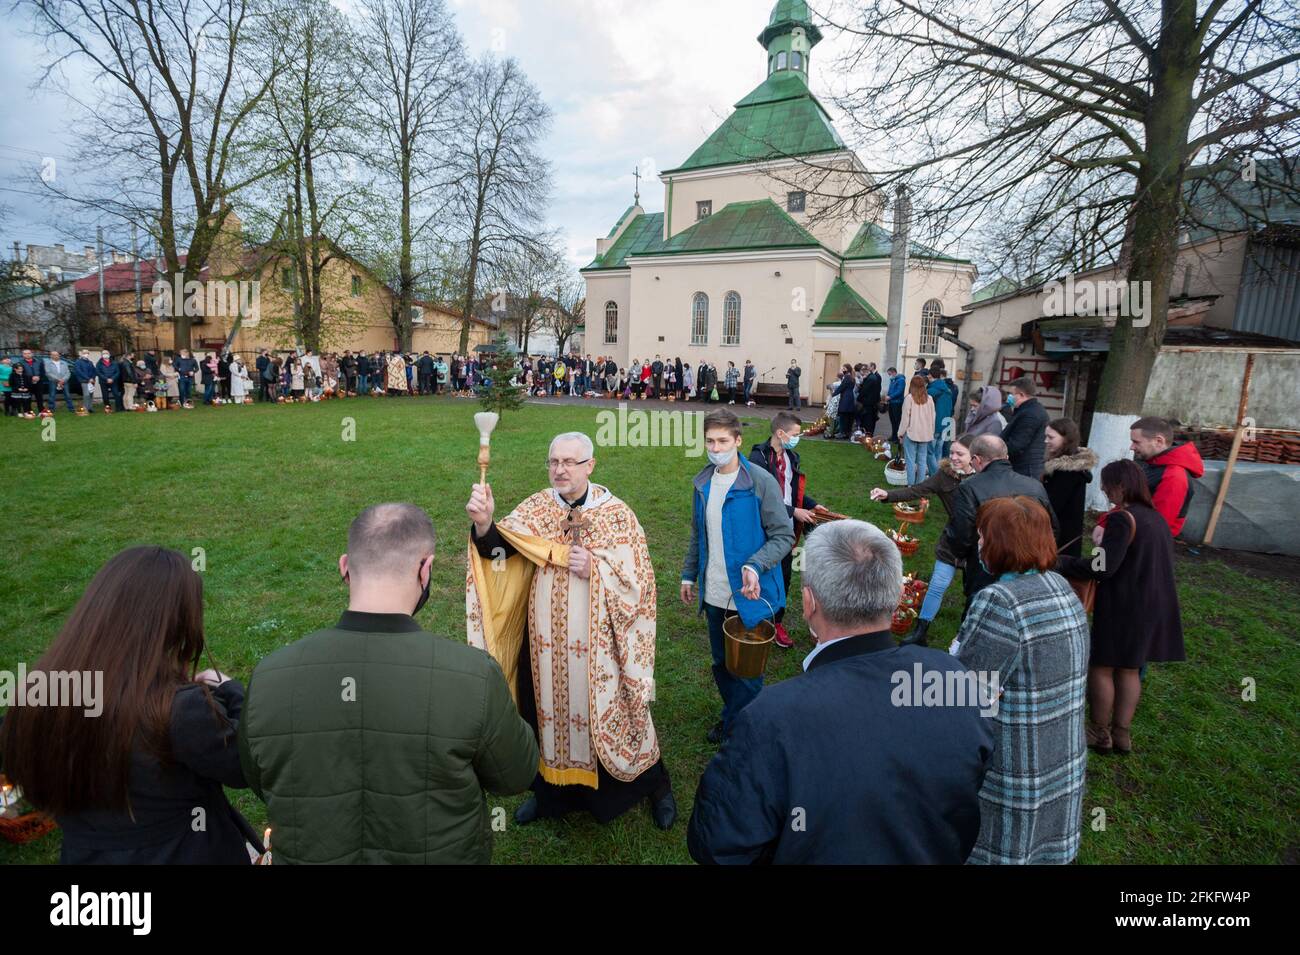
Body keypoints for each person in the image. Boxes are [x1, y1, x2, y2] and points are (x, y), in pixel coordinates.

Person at [238, 504, 537, 863]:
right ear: (425, 570)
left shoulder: (270, 676)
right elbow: (515, 774)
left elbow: (259, 779)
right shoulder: (473, 675)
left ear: (345, 568)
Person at [686, 520, 994, 864]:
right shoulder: (954, 681)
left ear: (808, 604)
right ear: (895, 599)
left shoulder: (770, 719)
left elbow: (716, 843)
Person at [465, 433, 677, 829]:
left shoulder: (618, 515)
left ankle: (653, 785)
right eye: (553, 462)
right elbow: (500, 553)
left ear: (590, 466)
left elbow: (641, 585)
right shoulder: (537, 508)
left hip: (604, 648)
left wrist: (596, 569)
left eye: (570, 462)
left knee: (620, 710)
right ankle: (551, 794)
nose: (559, 470)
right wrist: (484, 525)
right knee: (546, 712)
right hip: (544, 645)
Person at [0, 547, 259, 864]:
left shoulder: (41, 694)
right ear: (176, 621)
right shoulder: (178, 709)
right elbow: (244, 764)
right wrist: (232, 691)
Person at [953, 496, 1089, 865]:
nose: (979, 543)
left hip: (1015, 762)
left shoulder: (1001, 601)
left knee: (1004, 849)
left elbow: (967, 690)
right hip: (1060, 754)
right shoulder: (1062, 587)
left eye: (982, 536)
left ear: (997, 543)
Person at [682, 410, 795, 744]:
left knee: (746, 673)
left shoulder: (759, 482)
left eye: (722, 441)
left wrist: (754, 565)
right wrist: (689, 575)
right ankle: (735, 716)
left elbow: (783, 536)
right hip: (714, 592)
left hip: (749, 594)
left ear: (738, 441)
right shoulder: (702, 482)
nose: (716, 448)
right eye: (710, 441)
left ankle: (742, 731)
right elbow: (697, 534)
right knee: (721, 663)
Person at [1058, 460, 1184, 755]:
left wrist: (1064, 563)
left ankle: (1098, 733)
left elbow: (1103, 567)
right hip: (1152, 605)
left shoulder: (1122, 518)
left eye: (1106, 484)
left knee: (1102, 667)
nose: (1103, 489)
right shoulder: (1155, 518)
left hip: (1123, 606)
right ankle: (1122, 735)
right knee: (1129, 668)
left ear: (1122, 485)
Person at [871, 433, 977, 646]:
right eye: (952, 452)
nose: (954, 457)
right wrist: (888, 495)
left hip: (979, 545)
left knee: (975, 591)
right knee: (938, 585)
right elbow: (917, 490)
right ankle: (921, 631)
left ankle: (968, 636)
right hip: (953, 540)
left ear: (974, 457)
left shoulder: (983, 478)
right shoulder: (944, 476)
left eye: (960, 454)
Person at [947, 435, 1058, 607]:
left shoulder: (969, 487)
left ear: (975, 460)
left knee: (981, 615)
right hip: (1030, 567)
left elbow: (961, 534)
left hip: (987, 568)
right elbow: (1053, 530)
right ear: (1006, 458)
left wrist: (962, 555)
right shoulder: (1034, 486)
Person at [748, 412, 820, 650]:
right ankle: (754, 618)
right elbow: (761, 497)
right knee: (760, 574)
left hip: (786, 530)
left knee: (785, 576)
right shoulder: (757, 458)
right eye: (795, 434)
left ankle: (777, 621)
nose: (798, 438)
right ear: (780, 433)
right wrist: (793, 511)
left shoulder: (791, 457)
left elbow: (791, 491)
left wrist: (810, 505)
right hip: (764, 527)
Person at [1129, 415, 1205, 537]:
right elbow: (1129, 500)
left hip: (1143, 544)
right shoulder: (1152, 463)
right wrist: (1104, 523)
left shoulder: (1174, 476)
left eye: (1136, 442)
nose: (1131, 447)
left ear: (1159, 441)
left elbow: (1157, 524)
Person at [1042, 418, 1097, 557]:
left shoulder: (1067, 472)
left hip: (1060, 534)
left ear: (1066, 439)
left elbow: (1052, 506)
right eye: (1046, 436)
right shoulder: (1063, 465)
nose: (1046, 441)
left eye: (1051, 437)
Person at [1000, 376, 1049, 477]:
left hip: (1025, 470)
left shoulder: (1030, 414)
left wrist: (996, 452)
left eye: (1011, 394)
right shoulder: (1028, 410)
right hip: (1024, 468)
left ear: (1021, 395)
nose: (1008, 397)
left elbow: (1017, 445)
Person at [899, 374, 936, 483]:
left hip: (911, 433)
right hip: (925, 434)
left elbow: (905, 419)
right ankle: (920, 486)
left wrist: (900, 433)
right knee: (922, 461)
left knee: (910, 461)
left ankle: (911, 485)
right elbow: (933, 417)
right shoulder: (930, 399)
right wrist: (931, 432)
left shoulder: (909, 398)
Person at [927, 360, 959, 462]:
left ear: (930, 376)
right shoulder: (948, 391)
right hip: (946, 424)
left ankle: (932, 473)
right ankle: (938, 472)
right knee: (939, 451)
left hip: (934, 425)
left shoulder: (930, 391)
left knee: (930, 452)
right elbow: (950, 408)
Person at [831, 363, 858, 439]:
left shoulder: (847, 377)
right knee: (847, 417)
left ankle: (842, 433)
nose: (842, 370)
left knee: (843, 416)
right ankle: (846, 432)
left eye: (843, 368)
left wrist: (834, 394)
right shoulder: (852, 378)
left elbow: (841, 387)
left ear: (847, 369)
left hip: (846, 399)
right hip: (849, 398)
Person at [857, 362, 882, 438]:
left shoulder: (870, 379)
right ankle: (868, 434)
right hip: (872, 403)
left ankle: (868, 435)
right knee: (870, 420)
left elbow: (864, 391)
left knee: (868, 421)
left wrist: (859, 399)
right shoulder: (873, 377)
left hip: (868, 403)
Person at [95, 349, 119, 414]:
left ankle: (118, 408)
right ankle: (108, 408)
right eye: (103, 353)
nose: (105, 354)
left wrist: (112, 379)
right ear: (101, 355)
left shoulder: (114, 362)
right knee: (105, 396)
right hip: (103, 382)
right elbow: (98, 372)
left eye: (106, 353)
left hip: (113, 381)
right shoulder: (99, 363)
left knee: (116, 394)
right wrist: (106, 379)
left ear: (109, 354)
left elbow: (117, 372)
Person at [885, 366, 905, 443]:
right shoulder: (893, 380)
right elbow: (891, 390)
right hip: (892, 402)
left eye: (890, 374)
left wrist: (890, 397)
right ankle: (893, 435)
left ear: (894, 372)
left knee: (897, 421)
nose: (889, 376)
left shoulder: (901, 380)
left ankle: (897, 437)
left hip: (897, 402)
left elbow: (899, 391)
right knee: (893, 420)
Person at [74, 349, 97, 415]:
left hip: (91, 381)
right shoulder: (78, 362)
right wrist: (88, 378)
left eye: (87, 353)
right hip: (84, 381)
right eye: (84, 353)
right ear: (81, 354)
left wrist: (93, 378)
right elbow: (79, 371)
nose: (86, 354)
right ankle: (85, 409)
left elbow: (94, 370)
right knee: (86, 395)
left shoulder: (90, 362)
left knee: (91, 395)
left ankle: (90, 408)